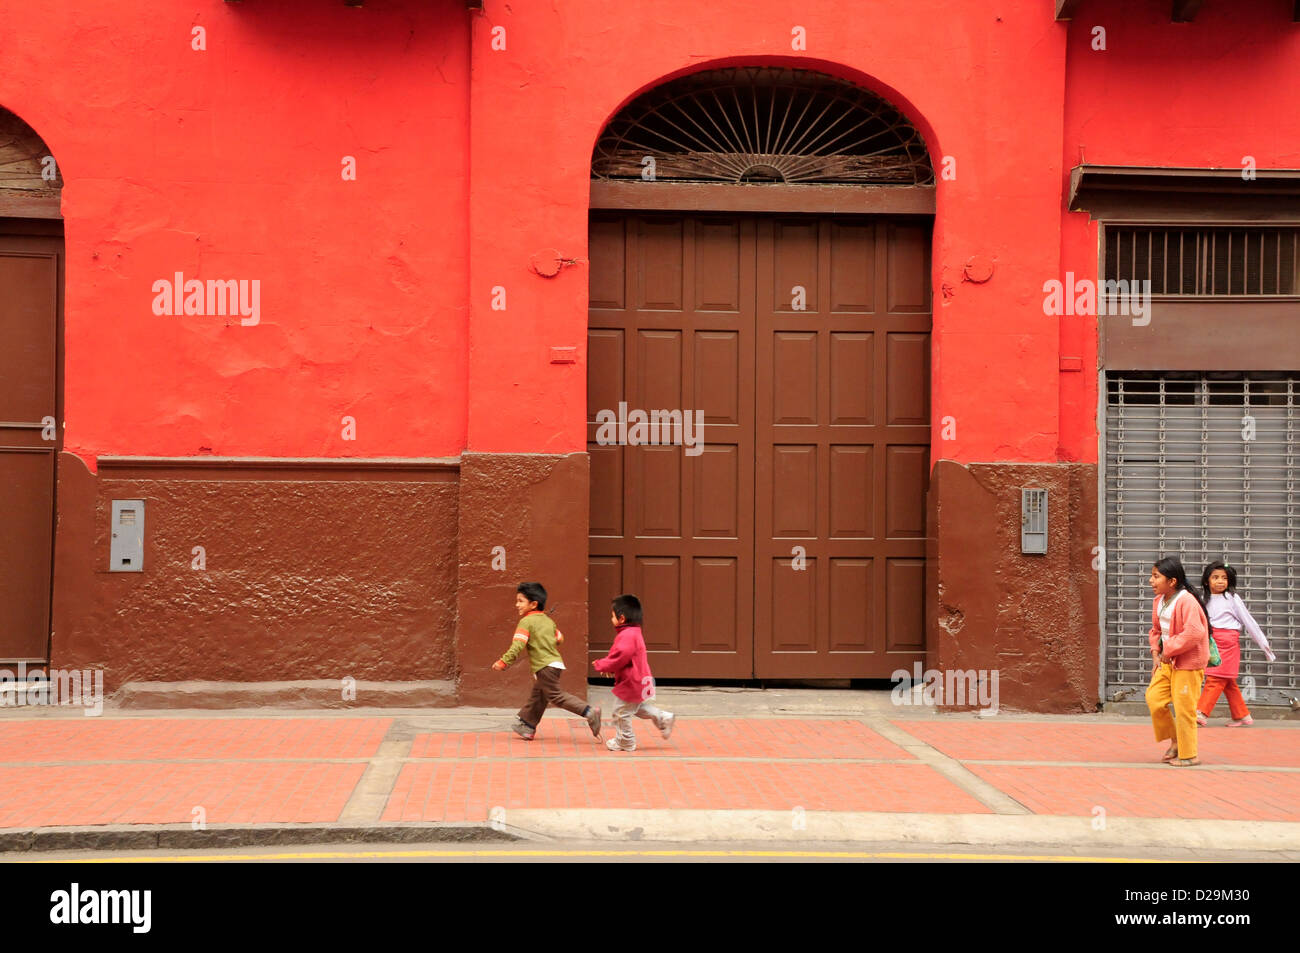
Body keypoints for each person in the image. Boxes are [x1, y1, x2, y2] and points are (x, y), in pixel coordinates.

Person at [491, 581, 601, 741]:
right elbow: (559, 638)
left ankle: (589, 712)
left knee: (555, 696)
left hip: (544, 666)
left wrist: (503, 662)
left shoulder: (526, 622)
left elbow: (517, 645)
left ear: (533, 604)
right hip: (555, 664)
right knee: (539, 694)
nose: (517, 605)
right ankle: (527, 725)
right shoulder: (548, 621)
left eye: (520, 601)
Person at [1144, 556, 1210, 766]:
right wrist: (1156, 651)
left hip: (1188, 664)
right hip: (1167, 662)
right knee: (1154, 699)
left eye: (1156, 577)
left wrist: (1169, 649)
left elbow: (1194, 633)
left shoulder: (1186, 601)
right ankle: (1175, 741)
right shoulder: (1159, 600)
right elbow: (1156, 630)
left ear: (1172, 581)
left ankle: (1189, 755)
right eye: (1152, 576)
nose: (1151, 581)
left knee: (1184, 709)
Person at [1196, 560, 1276, 727]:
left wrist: (1265, 647)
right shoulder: (1203, 598)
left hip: (1228, 642)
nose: (1220, 581)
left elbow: (1249, 622)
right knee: (1228, 681)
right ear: (1206, 580)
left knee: (1216, 678)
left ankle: (1201, 712)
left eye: (1224, 578)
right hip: (1211, 641)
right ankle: (1242, 715)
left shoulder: (1232, 598)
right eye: (1215, 577)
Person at [591, 594, 675, 752]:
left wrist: (603, 665)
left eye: (612, 616)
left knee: (620, 712)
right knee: (635, 708)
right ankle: (664, 718)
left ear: (621, 618)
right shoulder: (634, 632)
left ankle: (625, 741)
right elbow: (623, 657)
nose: (611, 619)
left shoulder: (627, 635)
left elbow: (620, 656)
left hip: (633, 681)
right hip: (640, 679)